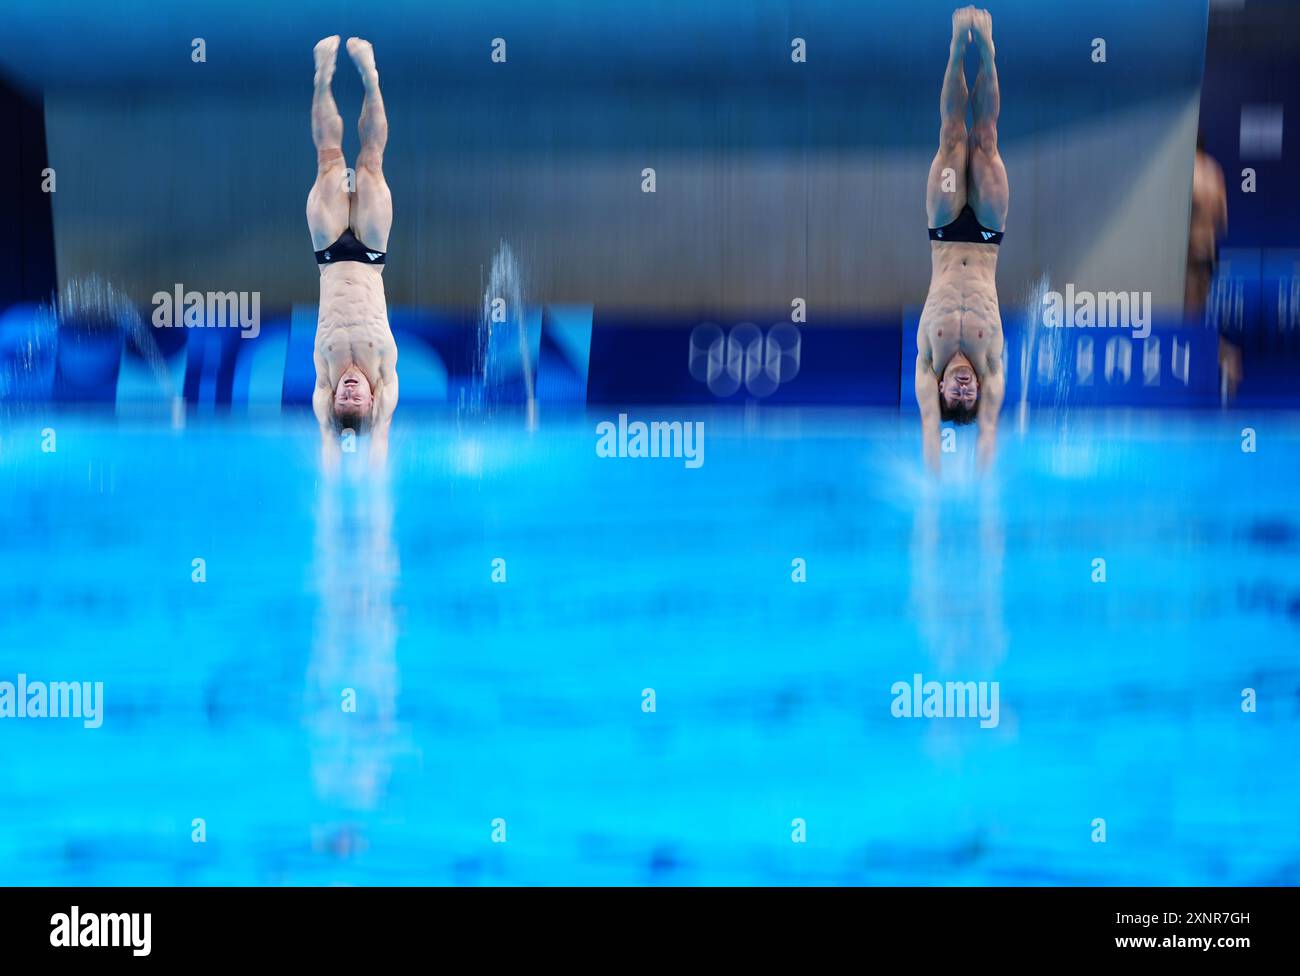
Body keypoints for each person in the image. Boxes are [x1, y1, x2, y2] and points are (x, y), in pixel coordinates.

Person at [915, 8, 1007, 472]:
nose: (967, 390)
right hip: (988, 236)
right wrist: (984, 500)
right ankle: (988, 52)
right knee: (985, 138)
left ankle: (957, 46)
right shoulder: (990, 368)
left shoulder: (927, 361)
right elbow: (987, 431)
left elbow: (931, 431)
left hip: (946, 232)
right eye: (969, 395)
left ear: (941, 390)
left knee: (953, 135)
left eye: (959, 395)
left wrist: (932, 502)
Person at [308, 36, 398, 466]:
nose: (348, 390)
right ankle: (370, 77)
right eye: (356, 398)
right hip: (371, 256)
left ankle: (322, 77)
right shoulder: (383, 370)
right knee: (370, 162)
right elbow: (379, 438)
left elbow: (328, 442)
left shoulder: (325, 377)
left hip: (328, 255)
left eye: (342, 398)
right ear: (372, 398)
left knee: (329, 161)